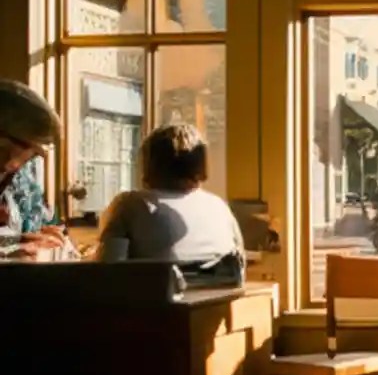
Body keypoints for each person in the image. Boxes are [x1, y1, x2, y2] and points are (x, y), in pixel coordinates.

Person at [94, 124, 244, 281]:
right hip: (218, 303)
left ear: (148, 163)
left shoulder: (128, 205)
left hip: (155, 303)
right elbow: (240, 266)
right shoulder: (219, 208)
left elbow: (107, 275)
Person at [0, 79, 66, 260]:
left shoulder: (17, 178)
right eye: (33, 150)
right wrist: (10, 251)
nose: (32, 160)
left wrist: (24, 239)